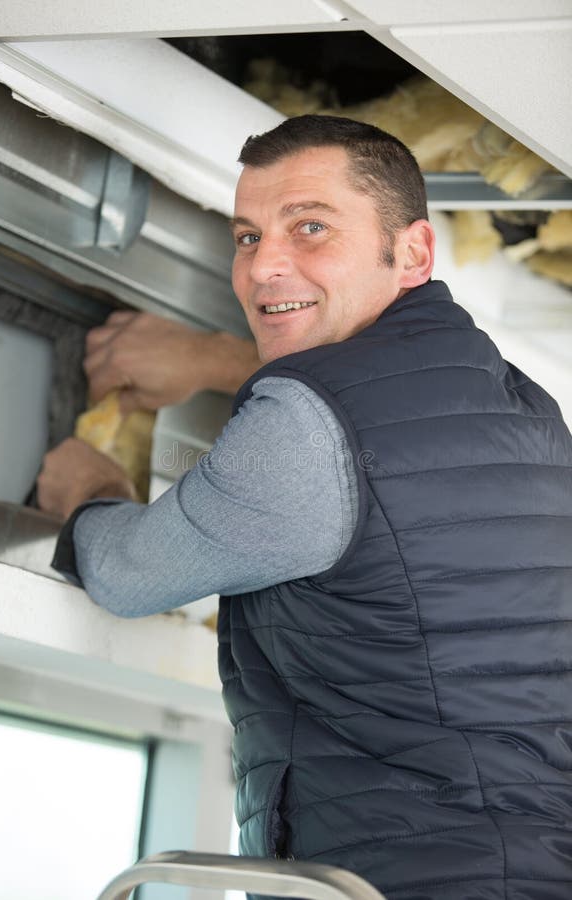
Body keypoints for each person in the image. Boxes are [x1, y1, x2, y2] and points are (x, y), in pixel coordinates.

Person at [38, 115, 572, 900]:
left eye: (310, 227)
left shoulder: (304, 425)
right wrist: (210, 360)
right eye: (247, 237)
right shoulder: (530, 410)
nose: (263, 266)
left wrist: (88, 491)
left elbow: (129, 572)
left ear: (413, 252)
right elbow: (378, 424)